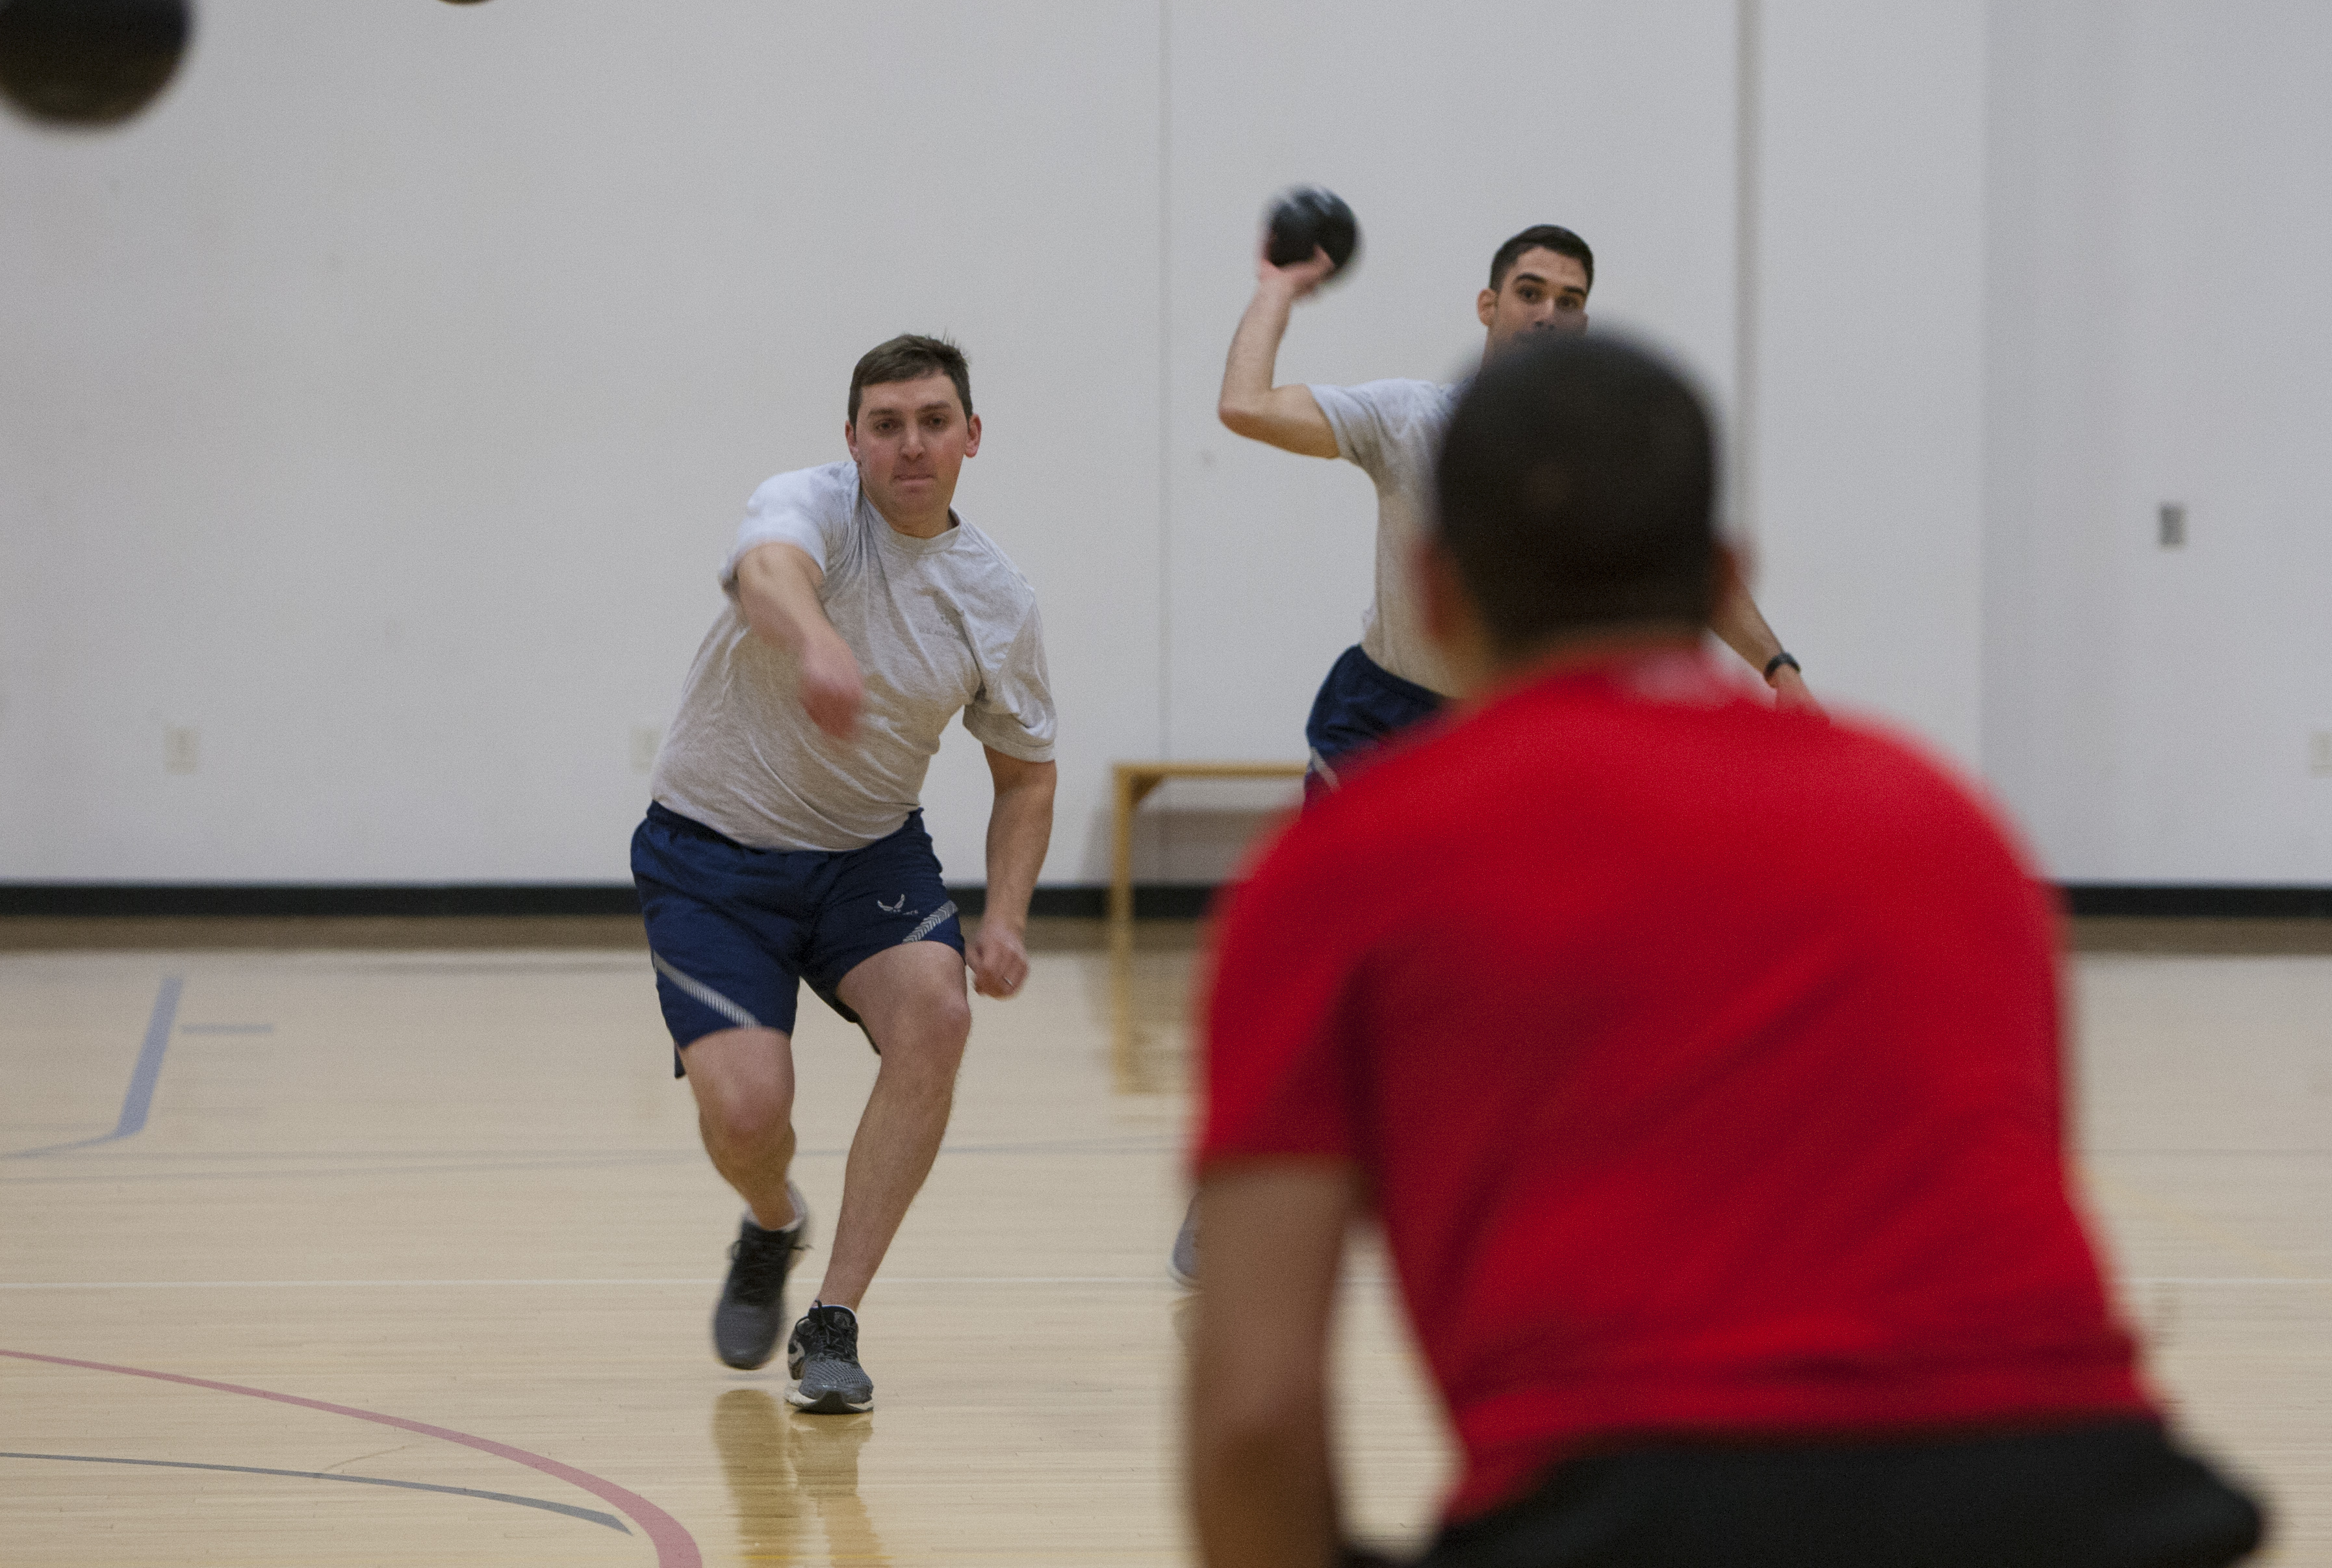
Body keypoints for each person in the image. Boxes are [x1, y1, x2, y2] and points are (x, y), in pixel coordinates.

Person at [1185, 334, 2264, 1567]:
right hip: (2093, 1508)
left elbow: (1253, 1422)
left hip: (1647, 1506)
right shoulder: (1945, 822)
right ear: (1720, 575)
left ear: (1434, 591)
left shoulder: (1346, 866)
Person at [1170, 224, 1818, 1287]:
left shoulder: (1602, 455)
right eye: (1528, 291)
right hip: (1381, 720)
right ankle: (1238, 1192)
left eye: (1567, 299)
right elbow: (1244, 405)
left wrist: (1778, 669)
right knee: (1329, 968)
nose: (1546, 313)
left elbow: (1692, 572)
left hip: (1515, 736)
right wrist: (1276, 290)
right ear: (1486, 306)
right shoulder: (1409, 420)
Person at [632, 333, 1057, 1413]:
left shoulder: (995, 599)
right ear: (854, 440)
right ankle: (773, 1219)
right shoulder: (811, 507)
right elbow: (770, 570)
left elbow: (1025, 775)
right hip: (711, 855)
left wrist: (1003, 916)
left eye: (931, 421)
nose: (910, 445)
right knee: (745, 1110)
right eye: (886, 424)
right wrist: (819, 644)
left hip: (866, 852)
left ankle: (834, 1319)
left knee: (939, 1014)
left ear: (971, 435)